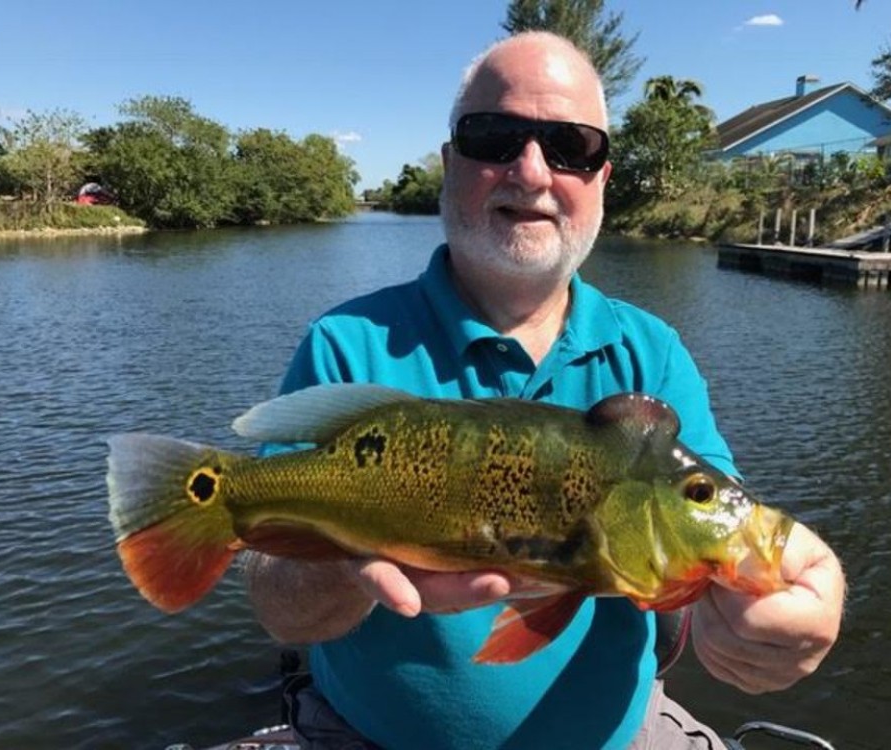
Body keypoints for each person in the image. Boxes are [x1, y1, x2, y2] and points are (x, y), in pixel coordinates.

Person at [244, 31, 846, 750]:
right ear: (448, 165)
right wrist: (344, 559)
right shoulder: (349, 343)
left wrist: (795, 594)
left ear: (602, 180)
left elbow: (718, 524)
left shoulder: (650, 353)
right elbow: (276, 605)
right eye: (494, 136)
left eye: (571, 146)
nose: (530, 171)